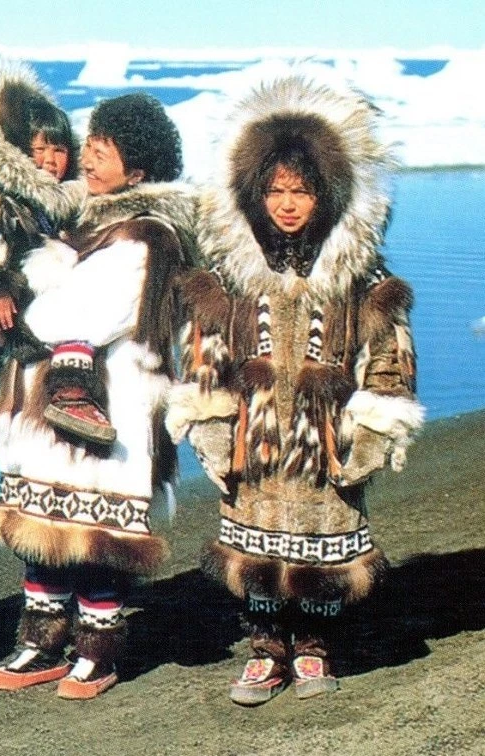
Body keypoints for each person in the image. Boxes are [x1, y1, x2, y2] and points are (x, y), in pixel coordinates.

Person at [165, 74, 425, 705]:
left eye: (301, 191)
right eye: (276, 190)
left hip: (325, 444)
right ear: (254, 193)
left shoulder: (359, 277)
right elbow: (205, 358)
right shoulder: (230, 276)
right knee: (254, 552)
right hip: (254, 445)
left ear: (327, 193)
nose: (287, 204)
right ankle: (265, 650)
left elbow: (386, 357)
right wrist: (211, 426)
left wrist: (374, 427)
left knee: (320, 553)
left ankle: (313, 647)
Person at [0, 92, 196, 699]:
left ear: (139, 169)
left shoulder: (148, 237)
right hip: (57, 409)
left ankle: (98, 648)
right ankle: (42, 639)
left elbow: (75, 313)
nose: (88, 160)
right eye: (90, 146)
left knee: (96, 533)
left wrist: (28, 304)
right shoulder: (89, 224)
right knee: (46, 526)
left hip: (113, 407)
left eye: (105, 151)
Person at [0, 60, 118, 446]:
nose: (50, 160)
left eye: (59, 150)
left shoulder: (63, 202)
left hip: (41, 313)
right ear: (20, 150)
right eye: (39, 149)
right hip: (0, 315)